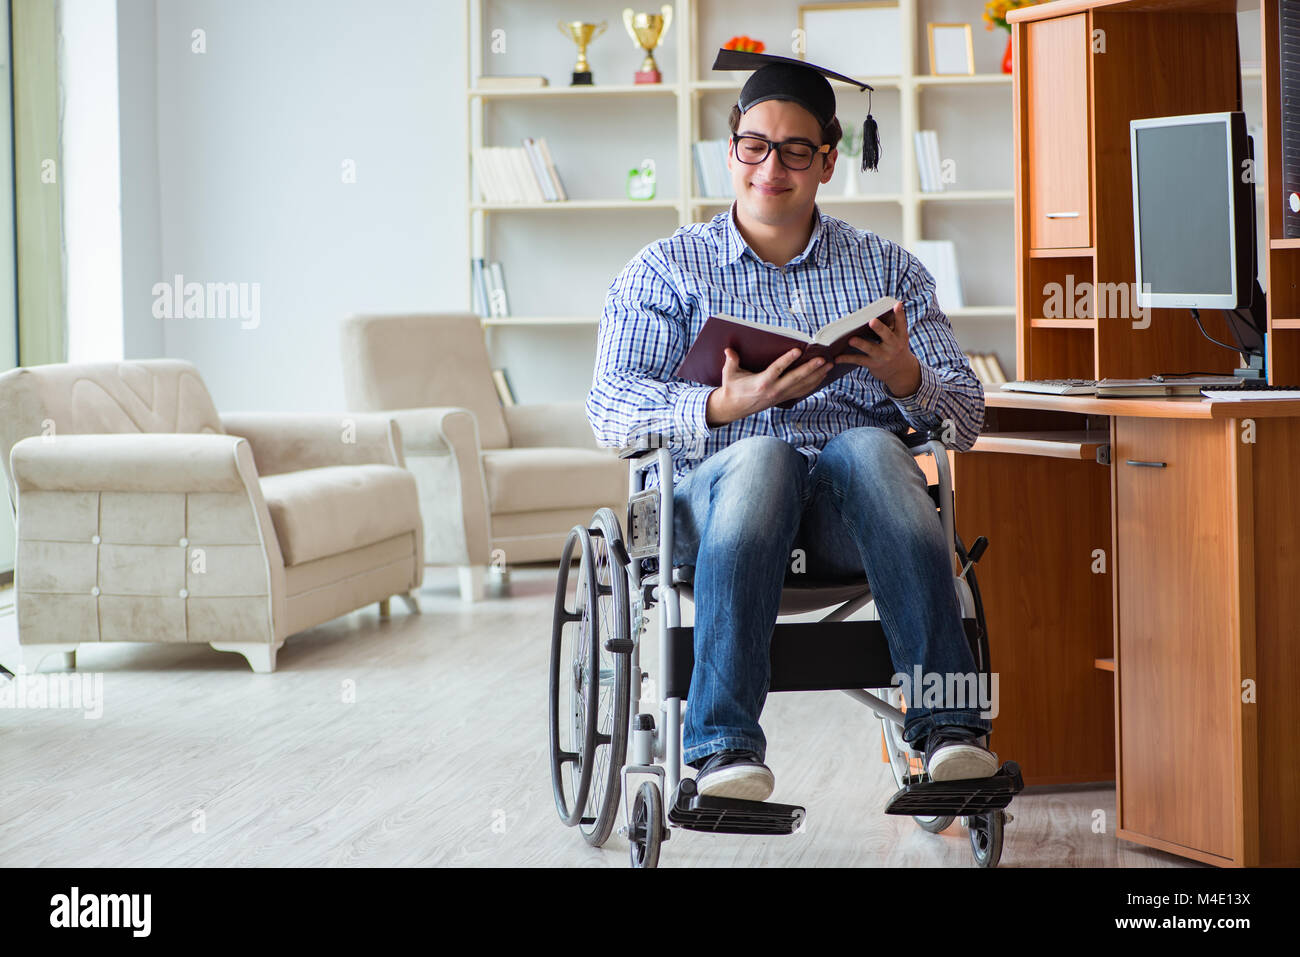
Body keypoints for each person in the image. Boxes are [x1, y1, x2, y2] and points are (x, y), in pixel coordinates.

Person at [586, 49, 995, 802]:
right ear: (732, 145)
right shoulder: (665, 270)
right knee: (763, 454)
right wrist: (721, 406)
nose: (771, 167)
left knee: (872, 446)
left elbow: (966, 418)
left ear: (828, 160)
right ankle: (723, 748)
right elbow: (608, 409)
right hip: (711, 509)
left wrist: (906, 375)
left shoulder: (888, 272)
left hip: (850, 518)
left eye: (796, 150)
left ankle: (950, 732)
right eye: (754, 145)